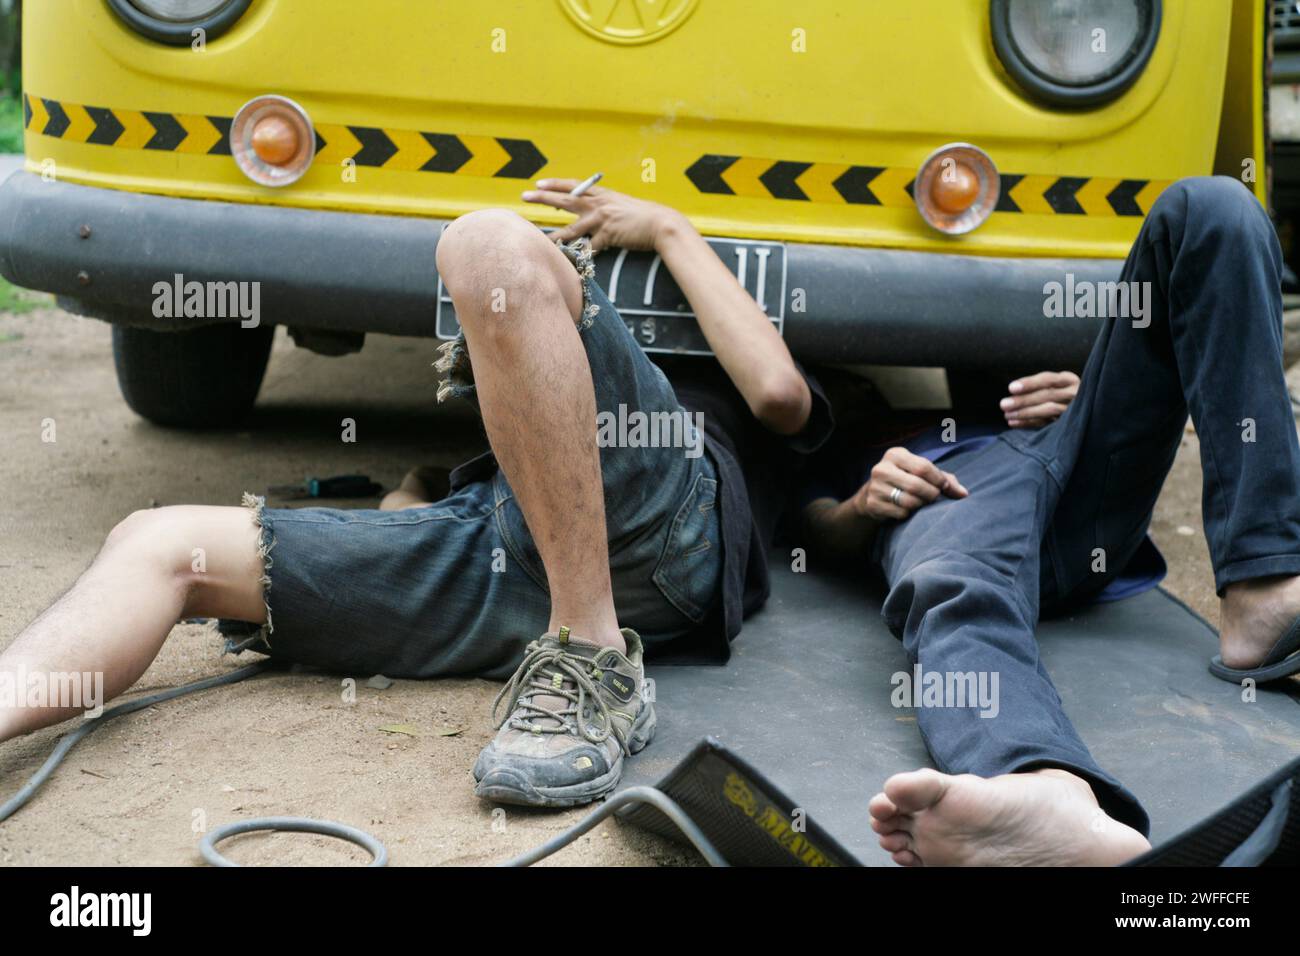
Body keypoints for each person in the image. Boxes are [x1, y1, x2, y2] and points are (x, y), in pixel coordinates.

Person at [0, 183, 831, 809]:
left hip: (658, 521)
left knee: (487, 246)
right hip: (511, 544)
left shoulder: (699, 395)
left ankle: (590, 654)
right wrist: (413, 498)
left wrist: (665, 227)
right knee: (156, 541)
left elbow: (780, 397)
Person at [803, 176, 1300, 865]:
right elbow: (815, 532)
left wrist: (1085, 396)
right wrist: (862, 503)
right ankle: (1039, 784)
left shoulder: (988, 372)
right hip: (951, 499)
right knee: (954, 582)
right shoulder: (835, 434)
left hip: (1066, 462)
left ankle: (1263, 584)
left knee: (1211, 207)